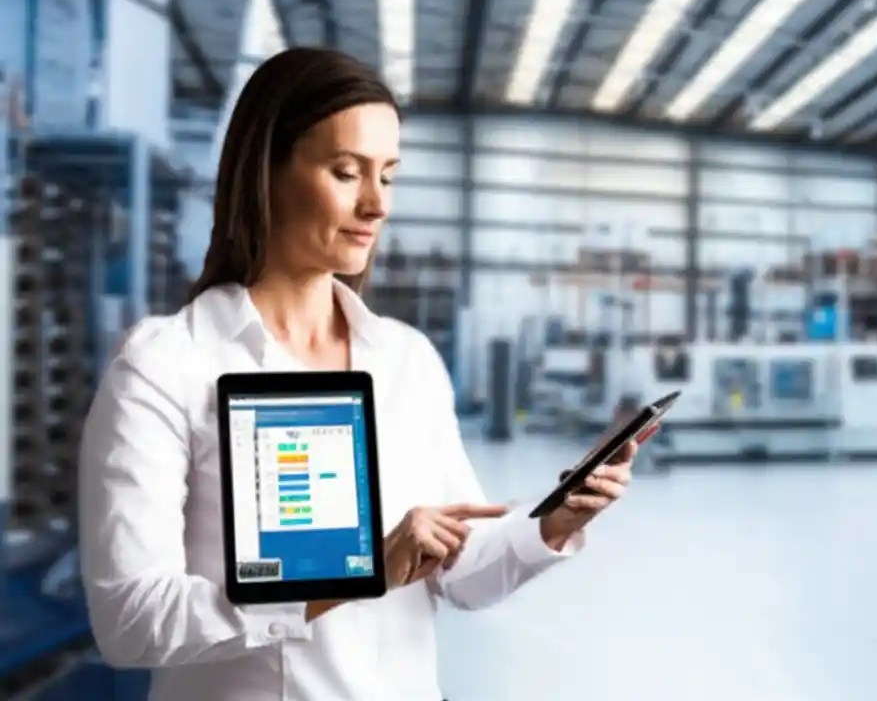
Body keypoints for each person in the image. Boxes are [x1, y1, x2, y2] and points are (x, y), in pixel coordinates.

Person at [77, 47, 636, 701]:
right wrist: (358, 572)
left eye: (388, 177)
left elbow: (461, 575)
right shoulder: (166, 366)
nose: (375, 205)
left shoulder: (404, 361)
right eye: (346, 173)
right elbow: (131, 622)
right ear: (266, 172)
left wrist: (554, 521)